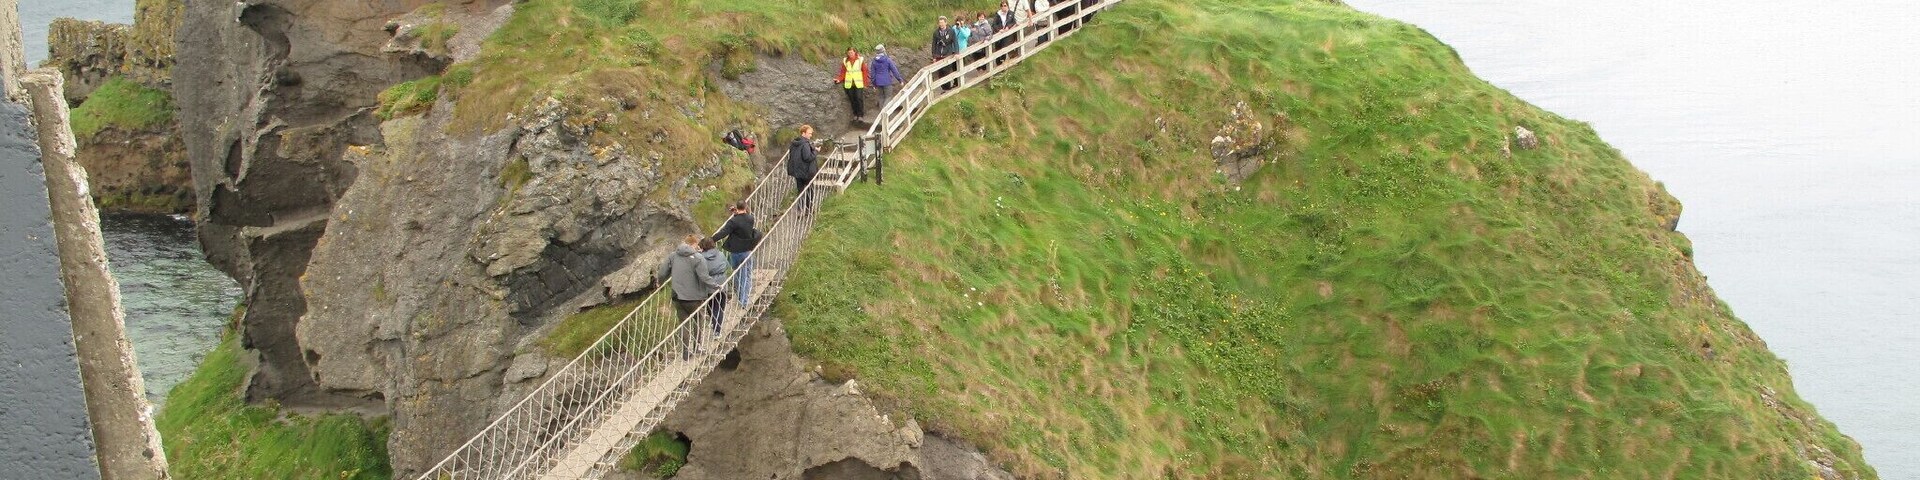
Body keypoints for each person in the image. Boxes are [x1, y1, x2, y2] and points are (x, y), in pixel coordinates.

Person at [655, 234, 722, 355]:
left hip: (677, 297)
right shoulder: (698, 258)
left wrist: (659, 282)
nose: (698, 247)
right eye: (696, 245)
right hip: (694, 298)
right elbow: (704, 277)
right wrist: (716, 286)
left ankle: (686, 351)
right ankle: (698, 347)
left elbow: (662, 272)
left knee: (684, 323)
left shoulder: (673, 256)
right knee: (698, 321)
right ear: (693, 244)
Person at [711, 201, 758, 307]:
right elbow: (744, 217)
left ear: (737, 207)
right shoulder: (751, 219)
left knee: (737, 275)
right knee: (746, 275)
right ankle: (744, 300)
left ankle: (740, 296)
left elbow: (723, 233)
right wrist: (736, 212)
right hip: (747, 251)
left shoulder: (733, 221)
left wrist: (711, 240)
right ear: (746, 207)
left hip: (735, 253)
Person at [697, 237, 729, 336]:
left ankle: (714, 324)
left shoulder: (700, 258)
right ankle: (717, 330)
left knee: (711, 307)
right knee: (719, 308)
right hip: (722, 284)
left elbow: (700, 272)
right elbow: (727, 265)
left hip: (708, 285)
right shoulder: (721, 254)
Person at [786, 124, 819, 208]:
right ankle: (808, 209)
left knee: (800, 190)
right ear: (803, 133)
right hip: (806, 172)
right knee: (809, 190)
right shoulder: (805, 144)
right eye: (809, 133)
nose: (810, 135)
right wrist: (816, 151)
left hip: (797, 171)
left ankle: (800, 209)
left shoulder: (794, 143)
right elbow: (807, 157)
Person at [835, 48, 871, 119]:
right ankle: (855, 114)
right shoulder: (845, 61)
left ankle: (860, 114)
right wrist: (839, 79)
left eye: (851, 52)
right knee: (852, 99)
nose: (850, 54)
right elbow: (843, 72)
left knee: (859, 98)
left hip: (859, 83)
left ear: (855, 52)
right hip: (849, 83)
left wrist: (865, 83)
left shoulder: (860, 60)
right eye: (849, 53)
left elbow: (865, 72)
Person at [870, 45, 904, 113]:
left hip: (878, 82)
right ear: (883, 50)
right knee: (888, 97)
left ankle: (881, 114)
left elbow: (872, 74)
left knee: (881, 97)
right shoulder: (887, 60)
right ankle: (884, 113)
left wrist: (874, 84)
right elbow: (894, 70)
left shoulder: (874, 61)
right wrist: (900, 80)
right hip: (887, 81)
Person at [931, 16, 957, 89]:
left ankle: (948, 87)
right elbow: (933, 44)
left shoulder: (951, 31)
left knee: (946, 71)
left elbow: (955, 42)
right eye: (940, 23)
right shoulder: (936, 33)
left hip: (947, 54)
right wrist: (934, 56)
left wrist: (956, 52)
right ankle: (944, 88)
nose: (941, 24)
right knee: (940, 72)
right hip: (939, 54)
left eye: (942, 23)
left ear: (946, 23)